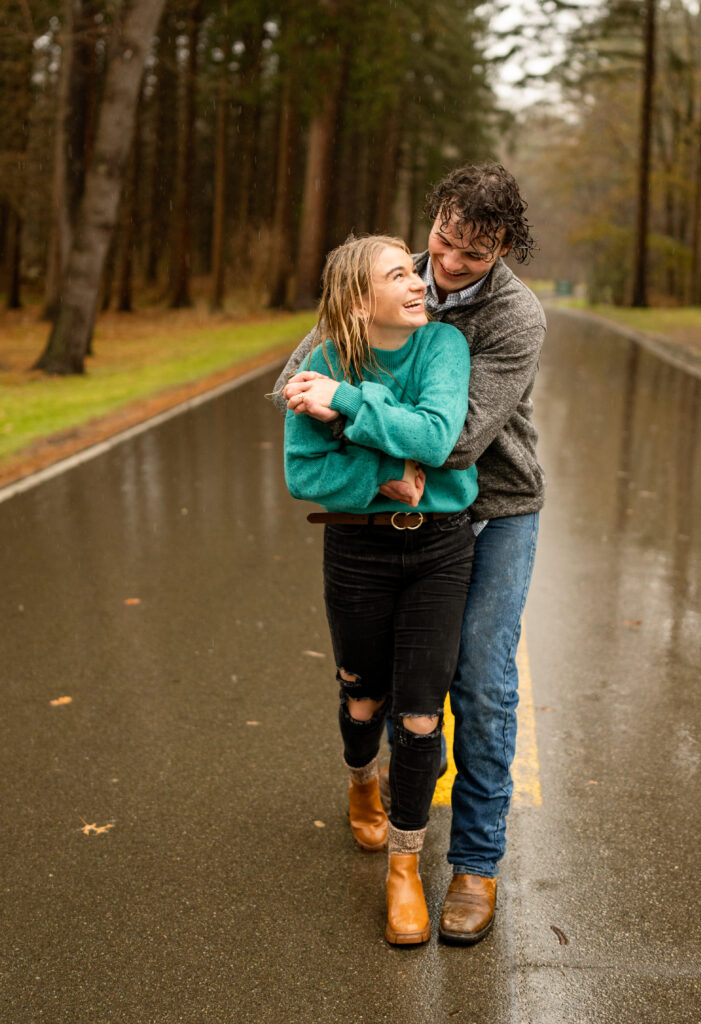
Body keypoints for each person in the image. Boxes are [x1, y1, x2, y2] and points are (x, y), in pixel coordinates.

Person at [274, 163, 546, 945]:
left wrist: (347, 408)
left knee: (482, 685)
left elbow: (452, 442)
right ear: (433, 222)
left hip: (494, 507)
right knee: (392, 684)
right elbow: (295, 383)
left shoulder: (514, 317)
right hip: (405, 512)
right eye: (442, 242)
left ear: (502, 250)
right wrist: (373, 447)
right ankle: (394, 789)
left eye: (473, 254)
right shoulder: (384, 279)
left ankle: (474, 866)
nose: (448, 265)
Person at [281, 234, 478, 946]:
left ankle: (405, 866)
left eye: (412, 271)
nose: (420, 281)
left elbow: (436, 436)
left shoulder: (443, 347)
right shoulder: (323, 359)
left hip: (439, 547)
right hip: (358, 550)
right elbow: (304, 474)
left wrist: (345, 406)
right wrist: (382, 477)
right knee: (363, 695)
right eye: (399, 275)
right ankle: (361, 777)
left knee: (421, 717)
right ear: (360, 302)